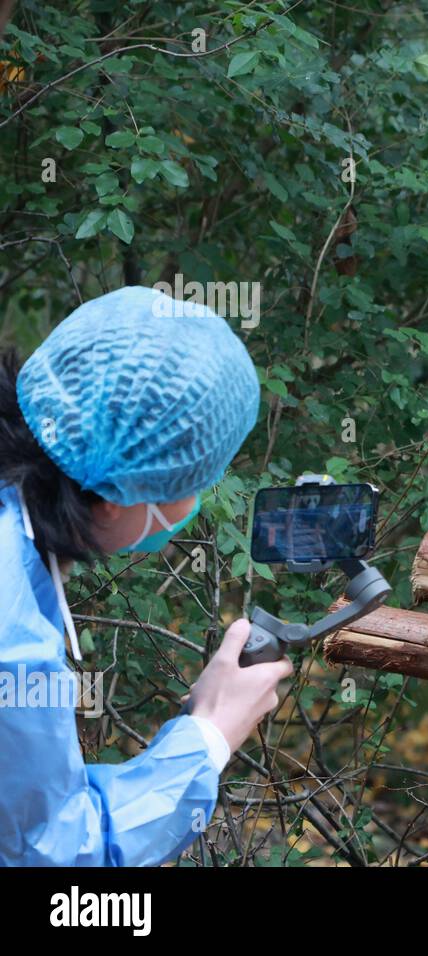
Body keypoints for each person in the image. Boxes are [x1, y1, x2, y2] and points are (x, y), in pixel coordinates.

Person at [0, 286, 292, 866]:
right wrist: (209, 737)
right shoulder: (14, 643)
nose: (195, 506)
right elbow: (53, 857)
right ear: (113, 496)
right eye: (191, 483)